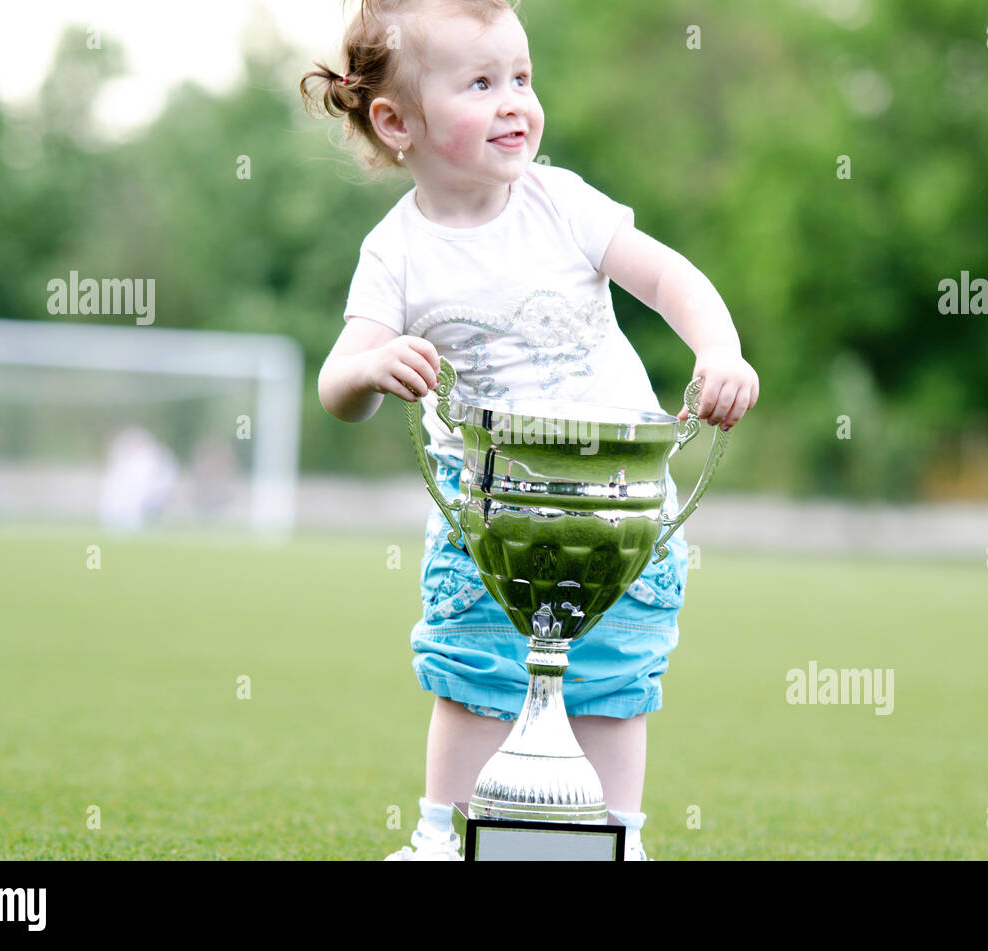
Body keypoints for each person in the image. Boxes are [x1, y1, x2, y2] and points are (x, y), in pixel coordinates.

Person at [304, 0, 758, 860]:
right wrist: (371, 367)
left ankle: (620, 839)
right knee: (474, 675)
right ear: (397, 121)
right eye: (481, 82)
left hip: (617, 512)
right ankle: (441, 835)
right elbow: (337, 384)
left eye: (522, 76)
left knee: (613, 685)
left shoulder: (559, 203)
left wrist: (720, 349)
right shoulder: (397, 252)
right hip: (489, 523)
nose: (515, 100)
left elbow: (667, 277)